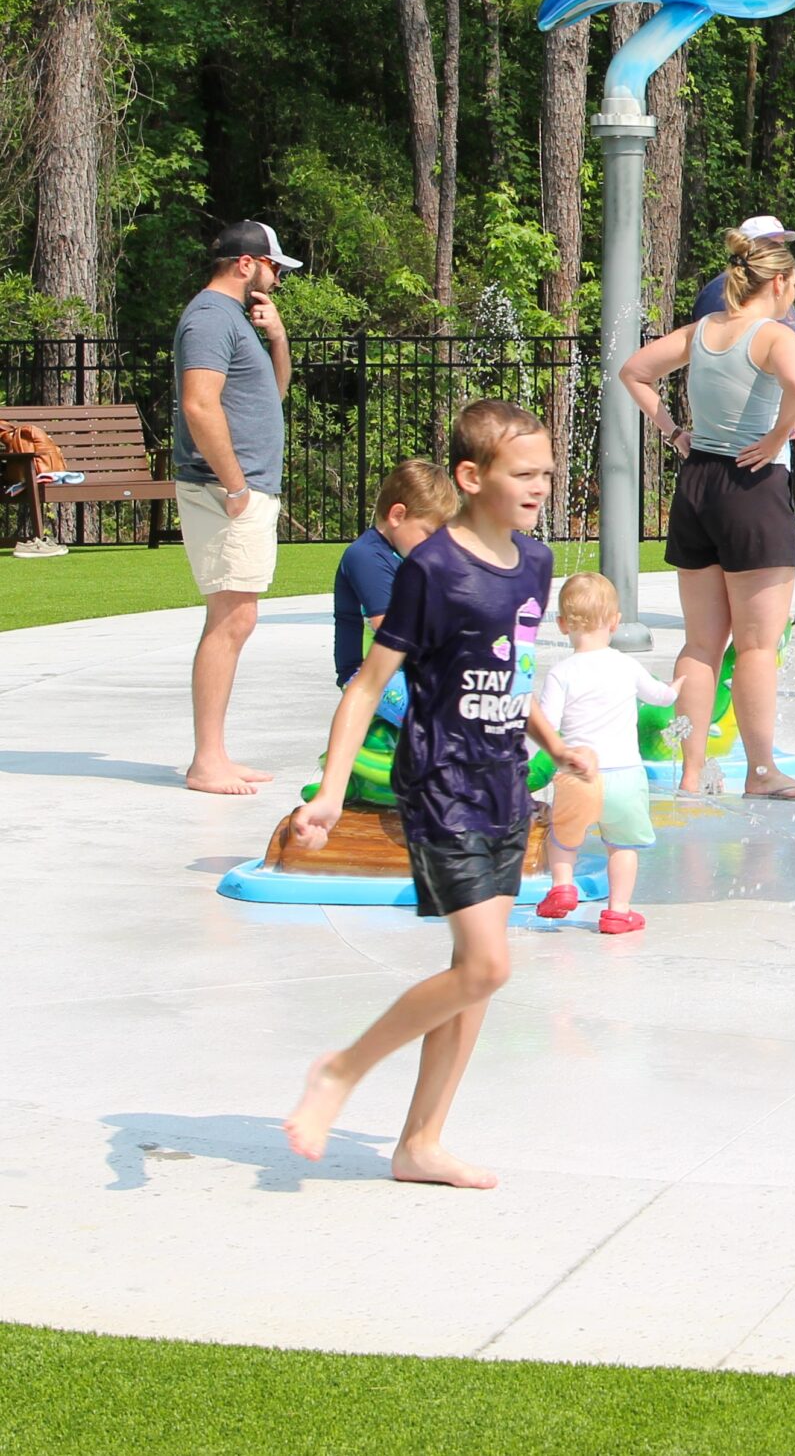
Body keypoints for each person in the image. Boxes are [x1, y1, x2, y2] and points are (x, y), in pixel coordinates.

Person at [283, 400, 595, 1186]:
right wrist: (327, 793)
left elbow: (508, 669)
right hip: (443, 780)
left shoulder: (534, 562)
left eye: (546, 473)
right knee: (488, 967)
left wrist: (554, 746)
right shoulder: (433, 569)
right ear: (471, 476)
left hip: (501, 779)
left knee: (473, 971)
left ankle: (420, 1143)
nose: (540, 487)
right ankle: (342, 1070)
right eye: (523, 474)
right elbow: (366, 687)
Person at [620, 229, 795, 799]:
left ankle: (689, 774)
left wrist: (676, 432)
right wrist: (779, 433)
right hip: (751, 487)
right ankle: (761, 774)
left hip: (697, 485)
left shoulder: (700, 331)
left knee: (700, 643)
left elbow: (633, 371)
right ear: (779, 281)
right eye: (794, 284)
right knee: (758, 644)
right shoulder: (775, 335)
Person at [173, 222, 298, 795]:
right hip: (226, 492)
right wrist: (236, 486)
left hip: (238, 489)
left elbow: (270, 397)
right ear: (246, 264)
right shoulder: (208, 317)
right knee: (233, 619)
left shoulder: (234, 321)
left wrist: (278, 339)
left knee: (233, 617)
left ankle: (215, 753)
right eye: (274, 268)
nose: (277, 279)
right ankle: (207, 761)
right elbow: (199, 406)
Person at [534, 573, 678, 935]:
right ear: (615, 622)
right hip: (626, 776)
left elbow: (546, 724)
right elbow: (660, 697)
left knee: (563, 837)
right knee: (622, 846)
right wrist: (674, 688)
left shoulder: (561, 672)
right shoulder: (627, 665)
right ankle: (618, 911)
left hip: (580, 774)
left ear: (562, 624)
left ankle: (562, 886)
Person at [333, 459, 458, 688]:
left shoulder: (406, 557)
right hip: (367, 676)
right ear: (397, 515)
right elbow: (388, 627)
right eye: (429, 534)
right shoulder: (366, 556)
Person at [690, 214, 795, 333]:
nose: (782, 250)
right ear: (747, 245)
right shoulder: (722, 288)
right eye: (774, 244)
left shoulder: (779, 287)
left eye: (782, 244)